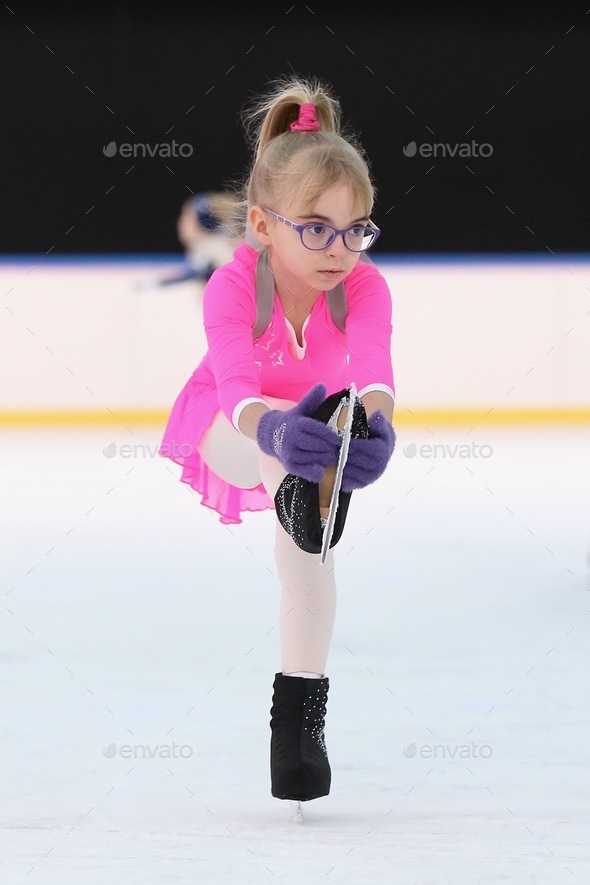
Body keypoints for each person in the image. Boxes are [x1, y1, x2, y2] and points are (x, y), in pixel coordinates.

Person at [159, 76, 396, 808]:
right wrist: (279, 430)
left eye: (355, 228)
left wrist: (379, 426)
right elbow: (235, 391)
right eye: (317, 228)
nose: (339, 248)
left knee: (307, 553)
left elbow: (376, 373)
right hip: (230, 427)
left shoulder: (364, 287)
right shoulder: (232, 286)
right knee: (285, 448)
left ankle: (297, 726)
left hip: (314, 426)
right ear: (264, 226)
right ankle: (303, 483)